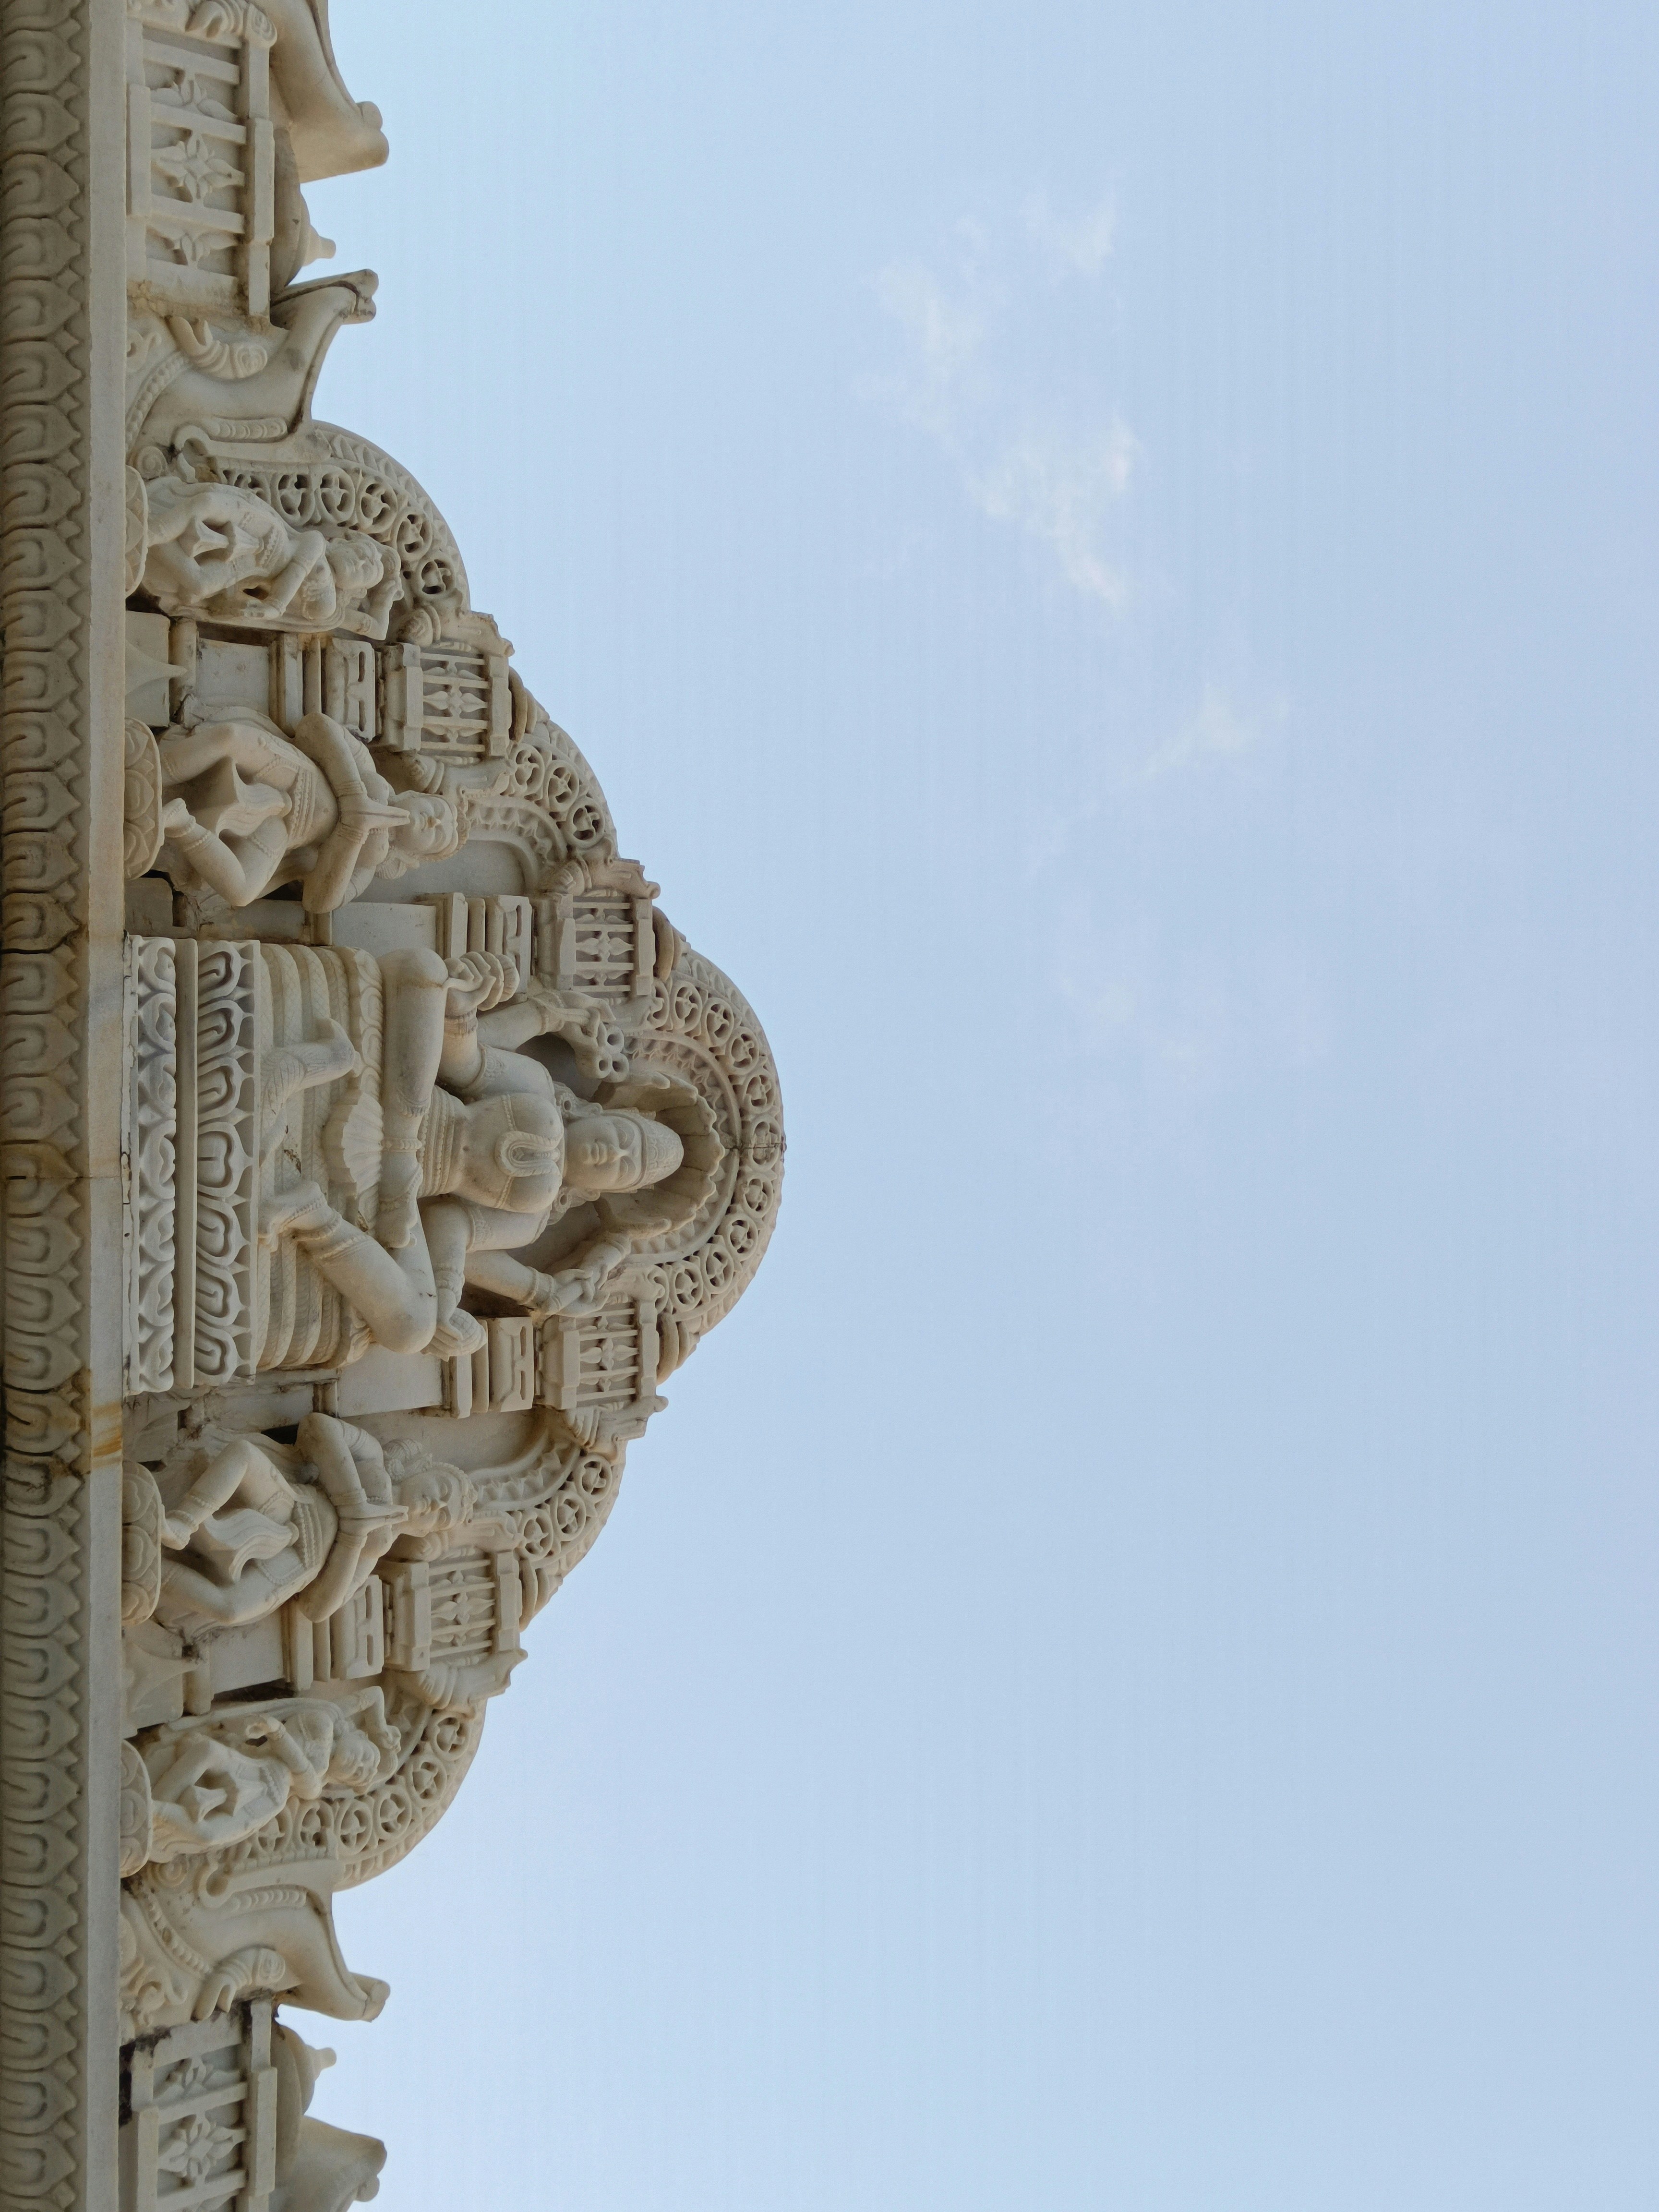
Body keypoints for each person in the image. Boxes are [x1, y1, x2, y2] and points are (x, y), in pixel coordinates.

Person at [156, 709, 458, 912]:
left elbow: (319, 902)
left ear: (412, 856)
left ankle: (182, 825)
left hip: (283, 832)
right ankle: (155, 771)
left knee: (243, 891)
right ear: (412, 795)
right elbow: (316, 727)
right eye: (436, 809)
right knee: (231, 738)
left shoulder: (366, 868)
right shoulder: (366, 767)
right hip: (294, 775)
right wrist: (352, 791)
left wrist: (353, 834)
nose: (434, 821)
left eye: (437, 835)